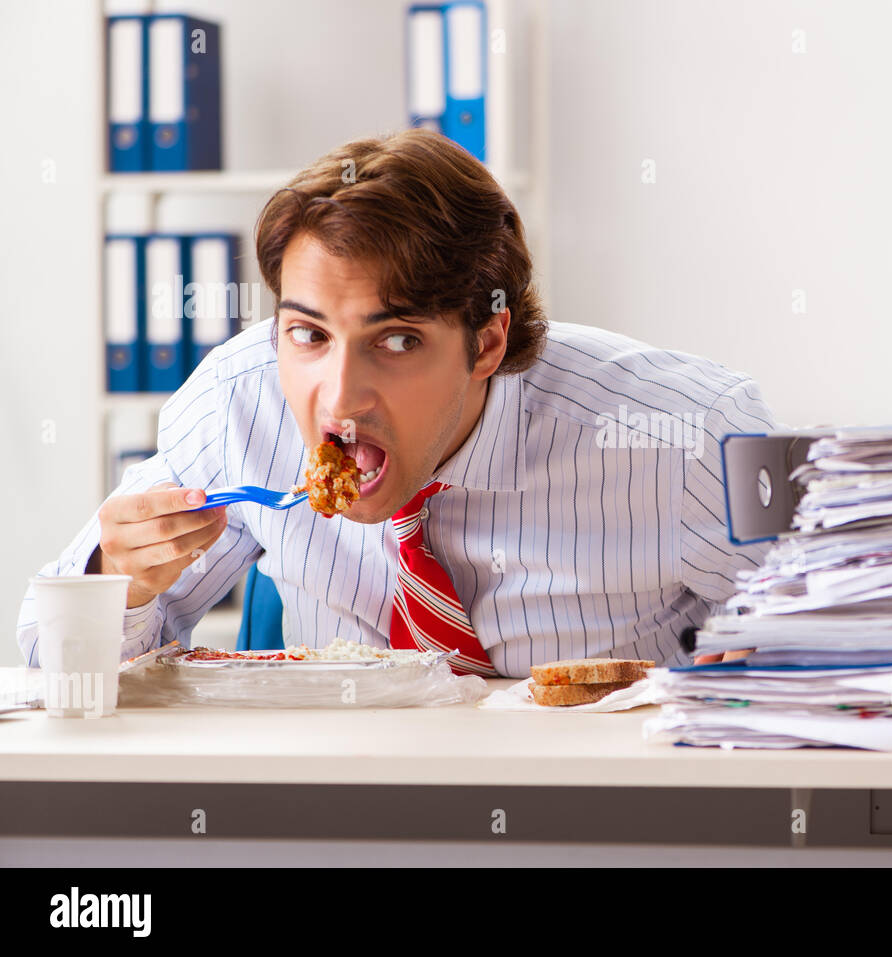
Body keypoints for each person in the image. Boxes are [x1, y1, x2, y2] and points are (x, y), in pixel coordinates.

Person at [16, 129, 775, 678]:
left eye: (398, 341)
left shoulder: (694, 438)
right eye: (308, 334)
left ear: (485, 342)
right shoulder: (238, 404)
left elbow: (862, 647)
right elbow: (49, 657)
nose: (339, 396)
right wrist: (118, 577)